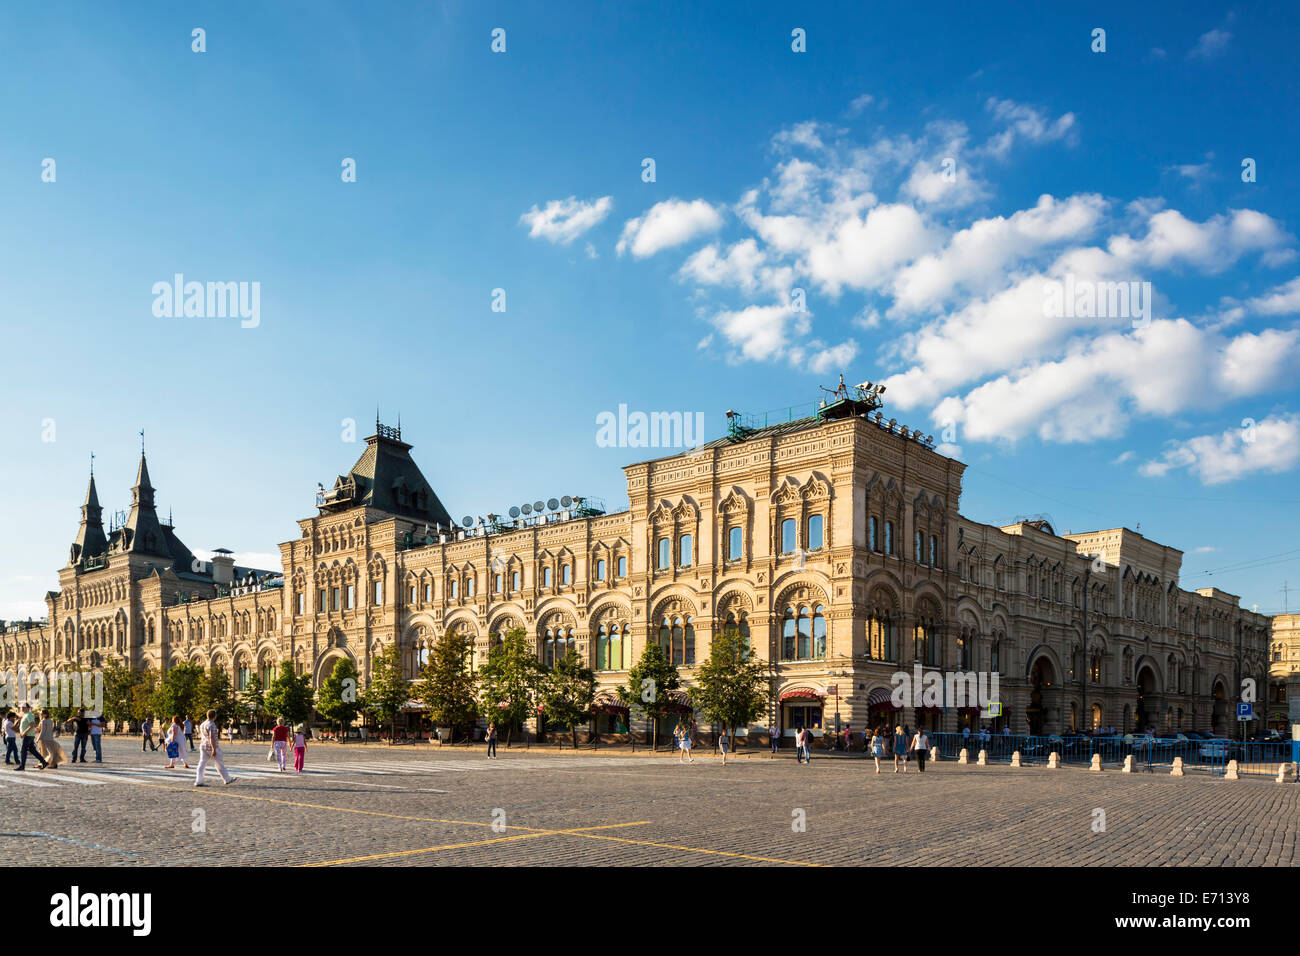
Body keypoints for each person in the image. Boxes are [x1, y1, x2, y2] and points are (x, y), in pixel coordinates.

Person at [195, 709, 234, 786]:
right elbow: (211, 737)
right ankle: (227, 779)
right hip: (211, 746)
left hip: (203, 745)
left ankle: (198, 780)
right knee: (219, 763)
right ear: (214, 716)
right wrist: (214, 749)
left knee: (202, 763)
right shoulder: (212, 724)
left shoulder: (203, 724)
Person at [16, 704, 46, 771]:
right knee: (33, 750)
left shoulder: (29, 715)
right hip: (29, 735)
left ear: (28, 708)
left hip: (27, 735)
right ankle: (44, 762)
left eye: (23, 707)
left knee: (23, 751)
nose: (22, 708)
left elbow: (32, 725)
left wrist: (24, 733)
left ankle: (22, 766)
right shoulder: (25, 715)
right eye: (21, 707)